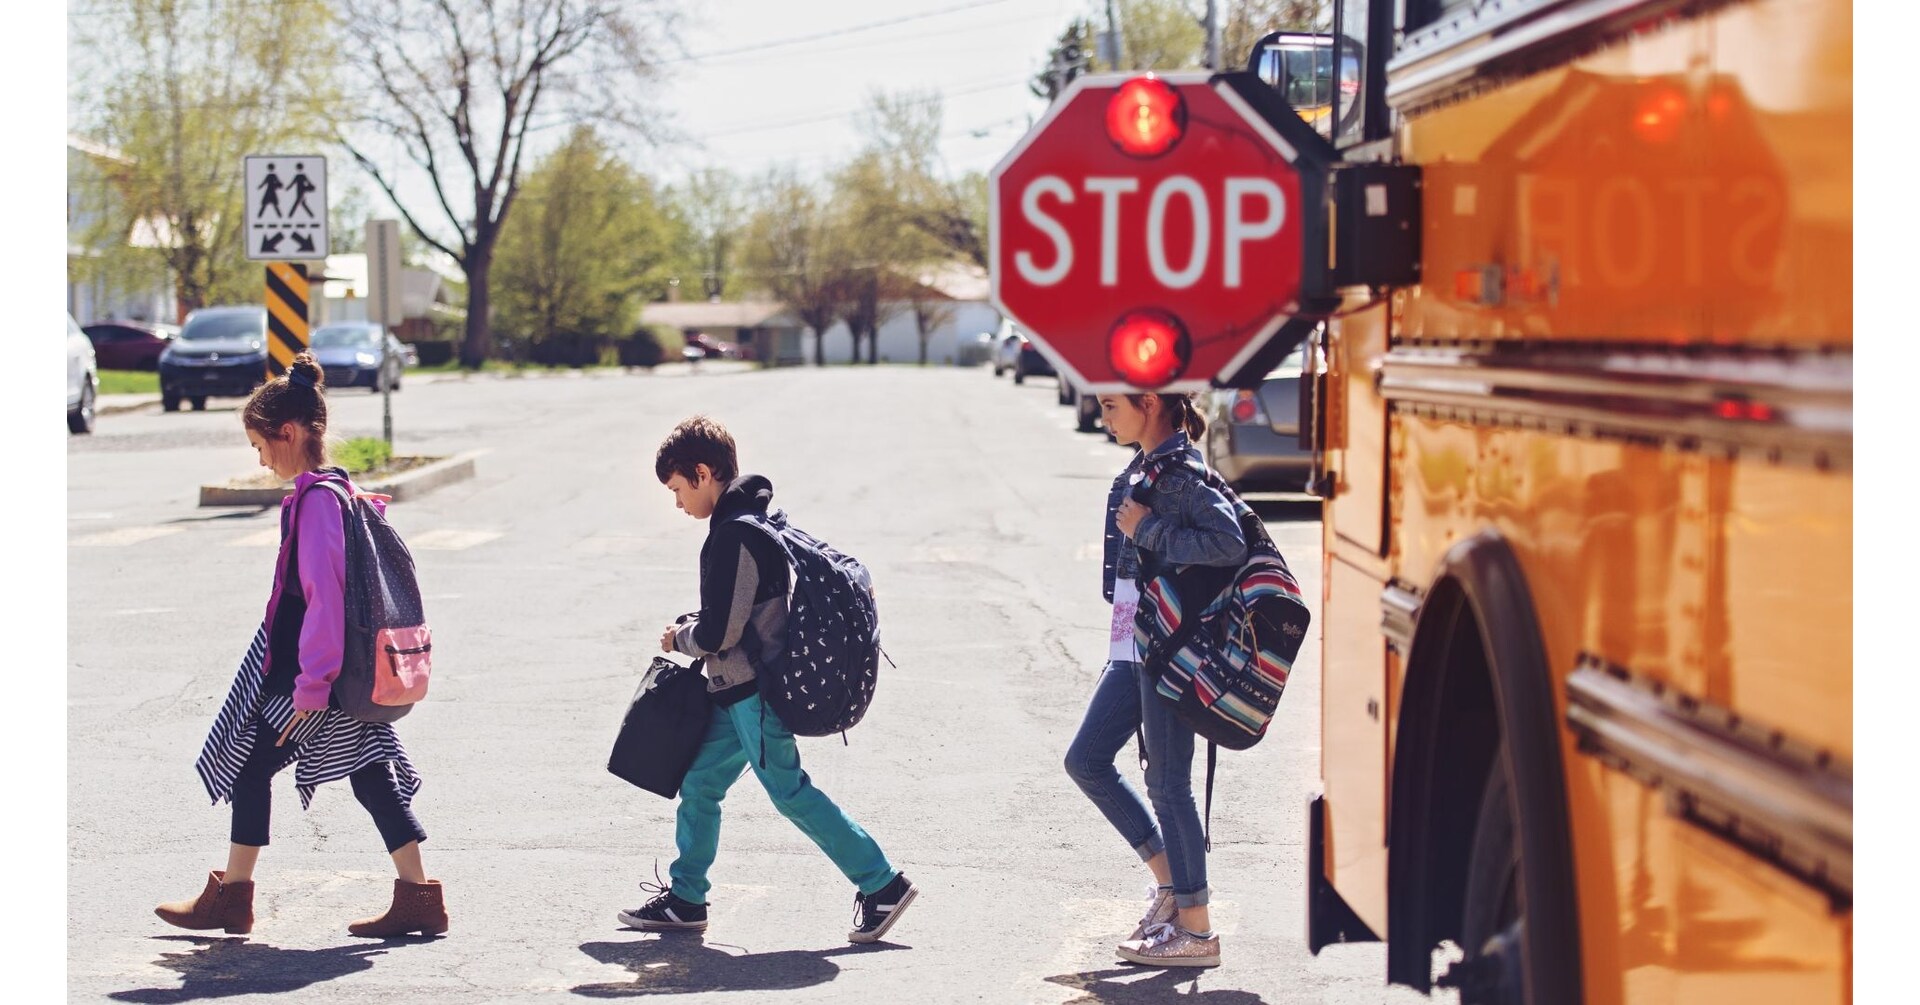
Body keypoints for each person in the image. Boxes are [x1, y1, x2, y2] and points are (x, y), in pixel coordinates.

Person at [154, 354, 445, 938]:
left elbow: (324, 601)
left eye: (261, 445)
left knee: (248, 766)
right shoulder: (342, 490)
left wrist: (311, 686)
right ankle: (419, 899)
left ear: (288, 433)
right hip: (349, 673)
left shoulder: (316, 503)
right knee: (371, 774)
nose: (259, 459)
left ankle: (232, 900)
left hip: (315, 678)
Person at [620, 415, 916, 944]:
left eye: (677, 489)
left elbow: (719, 633)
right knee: (702, 783)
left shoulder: (733, 535)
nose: (678, 503)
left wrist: (678, 637)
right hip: (738, 692)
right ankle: (687, 899)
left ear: (703, 473)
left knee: (789, 792)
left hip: (753, 694)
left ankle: (882, 883)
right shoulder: (753, 521)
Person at [1064, 392, 1246, 968]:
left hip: (1168, 649)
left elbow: (1228, 542)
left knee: (1169, 785)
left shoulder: (1181, 473)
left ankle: (1197, 931)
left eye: (1112, 405)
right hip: (1132, 648)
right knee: (1087, 760)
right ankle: (1171, 883)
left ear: (1149, 403)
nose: (1103, 416)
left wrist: (1150, 531)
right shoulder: (1142, 469)